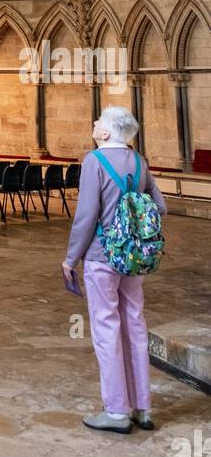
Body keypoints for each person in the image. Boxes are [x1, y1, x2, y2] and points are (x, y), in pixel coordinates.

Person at [62, 105, 167, 435]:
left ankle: (117, 411)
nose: (93, 124)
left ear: (105, 133)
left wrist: (70, 259)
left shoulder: (94, 161)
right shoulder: (139, 162)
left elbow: (86, 215)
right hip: (133, 257)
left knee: (106, 329)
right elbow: (160, 206)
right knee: (134, 325)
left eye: (98, 121)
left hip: (102, 256)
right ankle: (143, 407)